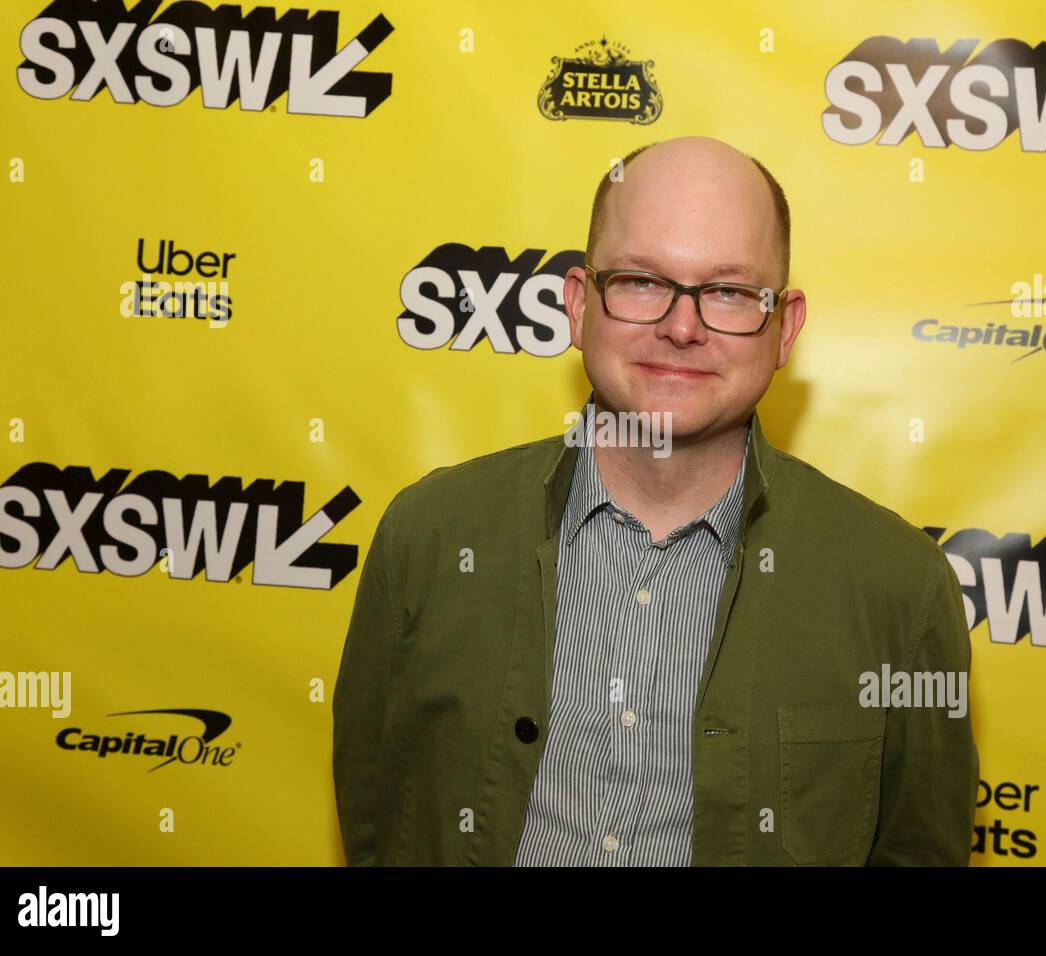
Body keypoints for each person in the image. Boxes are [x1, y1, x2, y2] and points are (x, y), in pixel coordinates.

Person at [332, 136, 978, 866]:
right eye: (642, 280)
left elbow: (921, 849)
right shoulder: (429, 537)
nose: (681, 325)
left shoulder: (899, 585)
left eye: (730, 291)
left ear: (785, 327)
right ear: (578, 304)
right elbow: (374, 818)